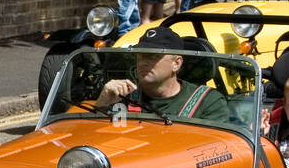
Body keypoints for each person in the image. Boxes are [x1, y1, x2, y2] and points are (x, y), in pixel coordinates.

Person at [92, 26, 228, 123]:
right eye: (140, 56)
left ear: (177, 63)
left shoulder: (207, 102)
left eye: (153, 57)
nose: (143, 63)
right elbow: (95, 139)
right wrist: (102, 103)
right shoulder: (121, 97)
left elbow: (215, 150)